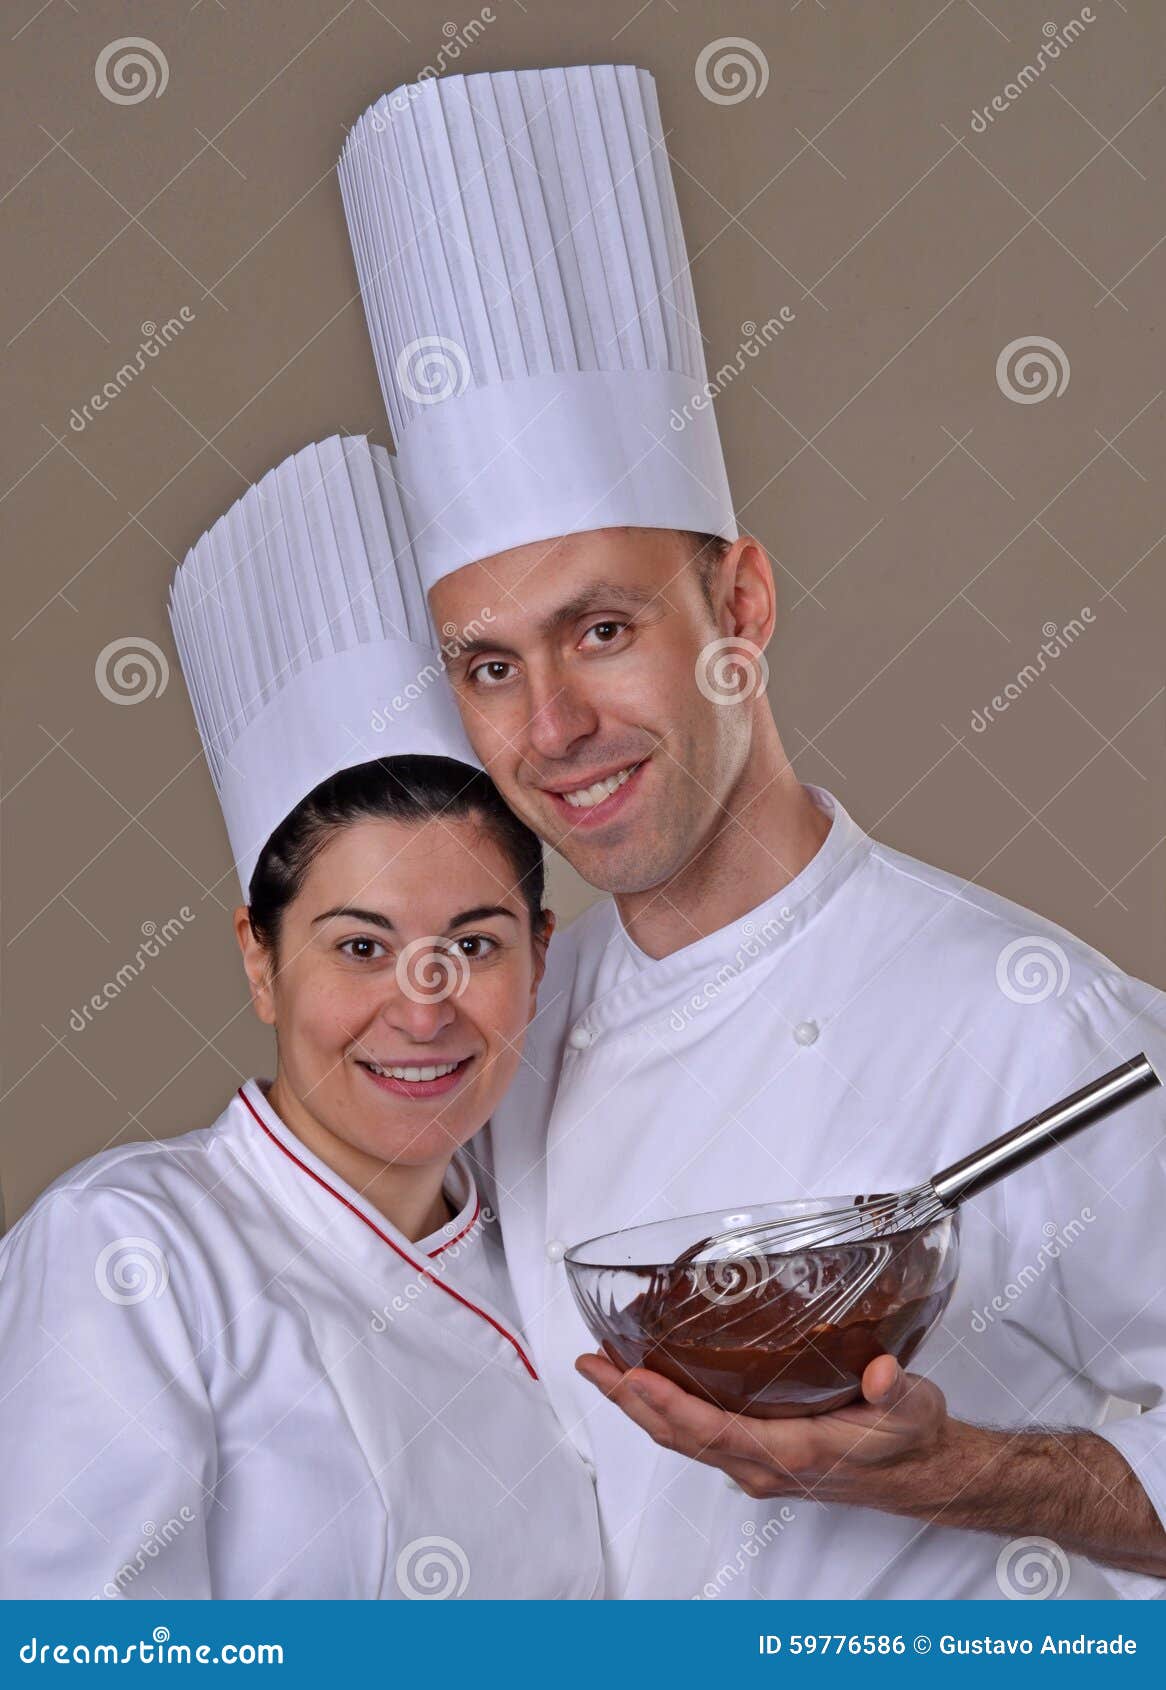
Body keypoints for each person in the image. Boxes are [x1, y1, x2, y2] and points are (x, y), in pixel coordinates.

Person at [340, 66, 1166, 1599]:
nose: (549, 730)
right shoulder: (508, 1041)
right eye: (488, 666)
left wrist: (969, 1476)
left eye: (600, 628)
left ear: (739, 609)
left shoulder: (1017, 1021)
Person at [0, 436, 602, 1601]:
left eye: (471, 944)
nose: (419, 1008)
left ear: (538, 956)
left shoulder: (547, 1249)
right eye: (360, 946)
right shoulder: (133, 1248)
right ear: (260, 961)